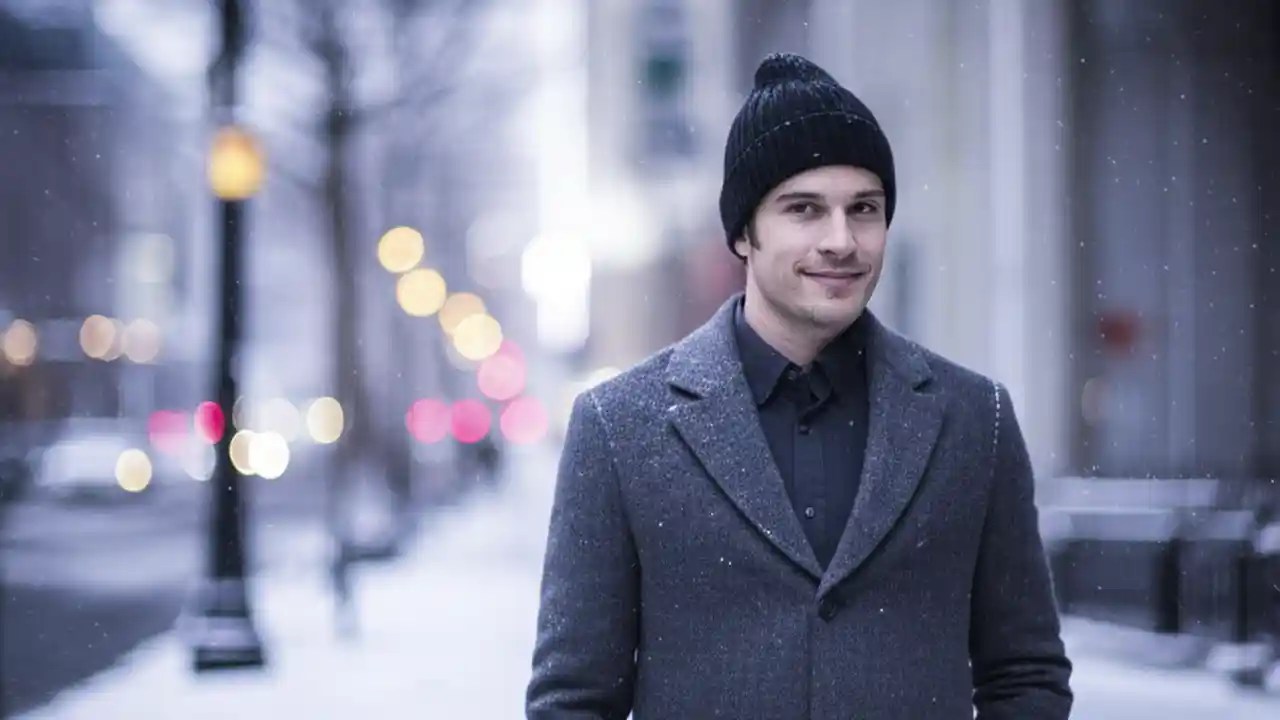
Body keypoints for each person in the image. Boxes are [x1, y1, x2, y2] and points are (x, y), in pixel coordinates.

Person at [527, 52, 1072, 719]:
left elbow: (1026, 672)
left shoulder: (972, 418)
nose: (841, 240)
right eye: (804, 209)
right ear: (744, 234)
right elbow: (574, 700)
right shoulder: (619, 425)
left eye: (864, 209)